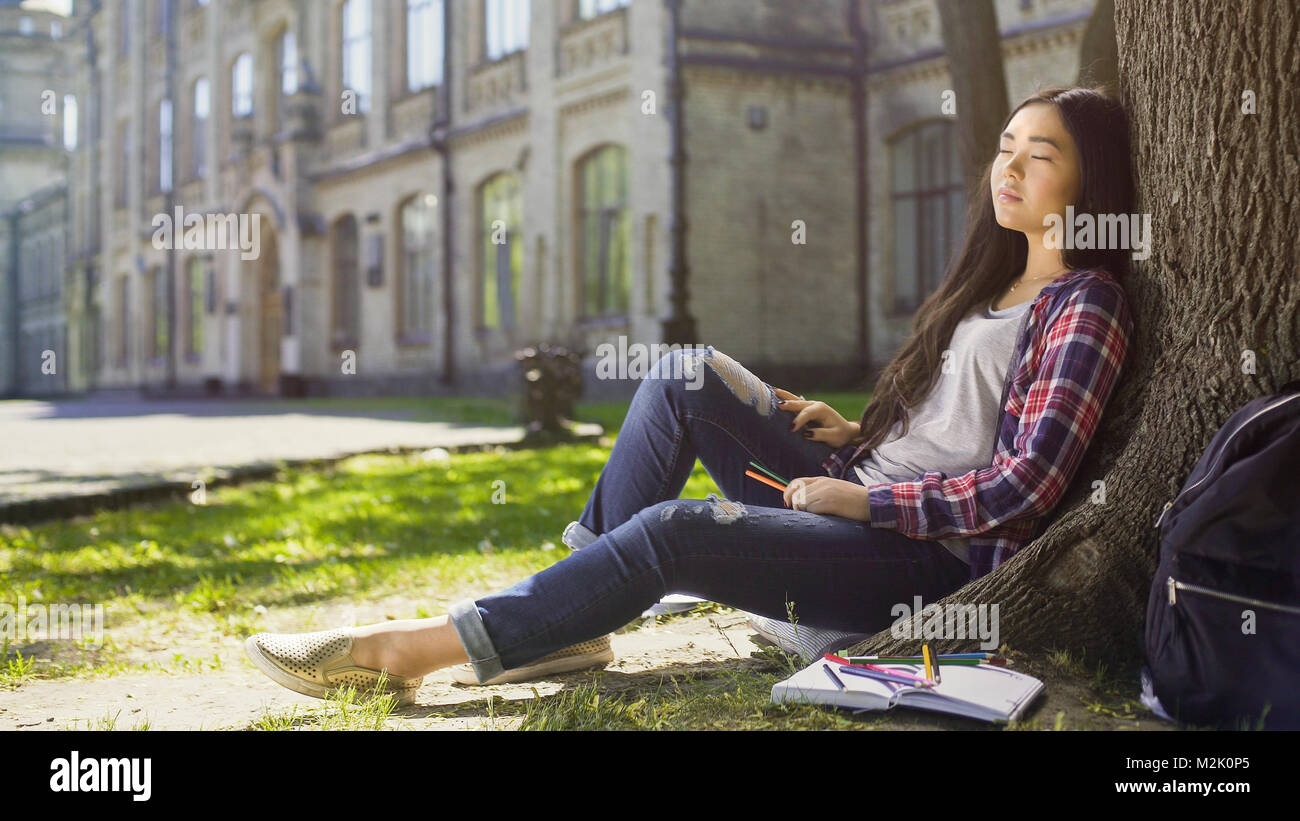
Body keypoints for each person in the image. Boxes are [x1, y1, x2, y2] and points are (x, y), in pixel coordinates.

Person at [243, 85, 1136, 704]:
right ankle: (568, 620)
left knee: (679, 529)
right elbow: (962, 422)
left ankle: (412, 652)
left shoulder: (1085, 305)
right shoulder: (991, 283)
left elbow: (1027, 487)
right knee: (682, 375)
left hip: (916, 554)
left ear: (1087, 180)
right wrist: (861, 430)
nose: (1008, 167)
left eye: (1040, 154)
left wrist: (867, 500)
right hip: (857, 485)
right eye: (1005, 146)